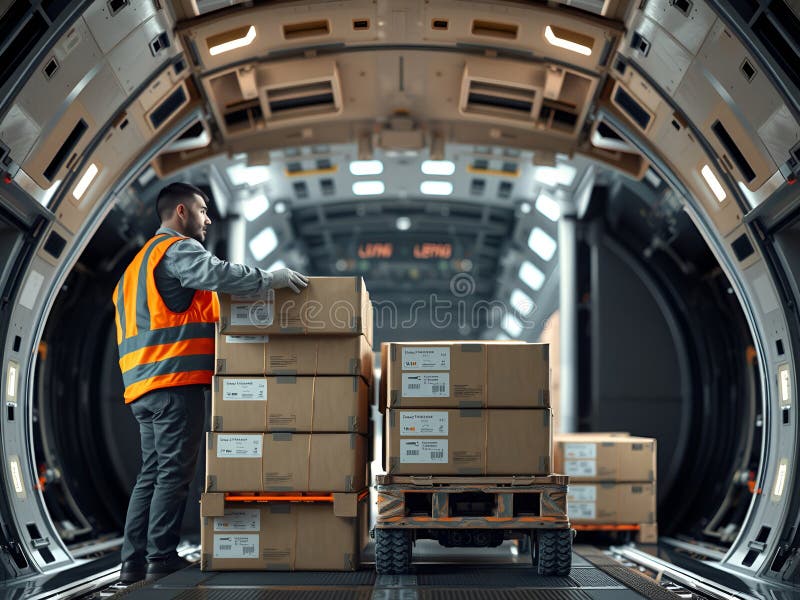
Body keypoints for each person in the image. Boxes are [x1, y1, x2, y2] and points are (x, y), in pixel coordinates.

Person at [112, 182, 308, 583]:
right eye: (202, 211)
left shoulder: (135, 267)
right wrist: (270, 279)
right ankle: (161, 558)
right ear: (181, 212)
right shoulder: (177, 248)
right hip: (174, 382)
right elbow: (213, 273)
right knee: (171, 473)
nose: (207, 219)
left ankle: (132, 563)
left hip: (141, 386)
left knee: (150, 473)